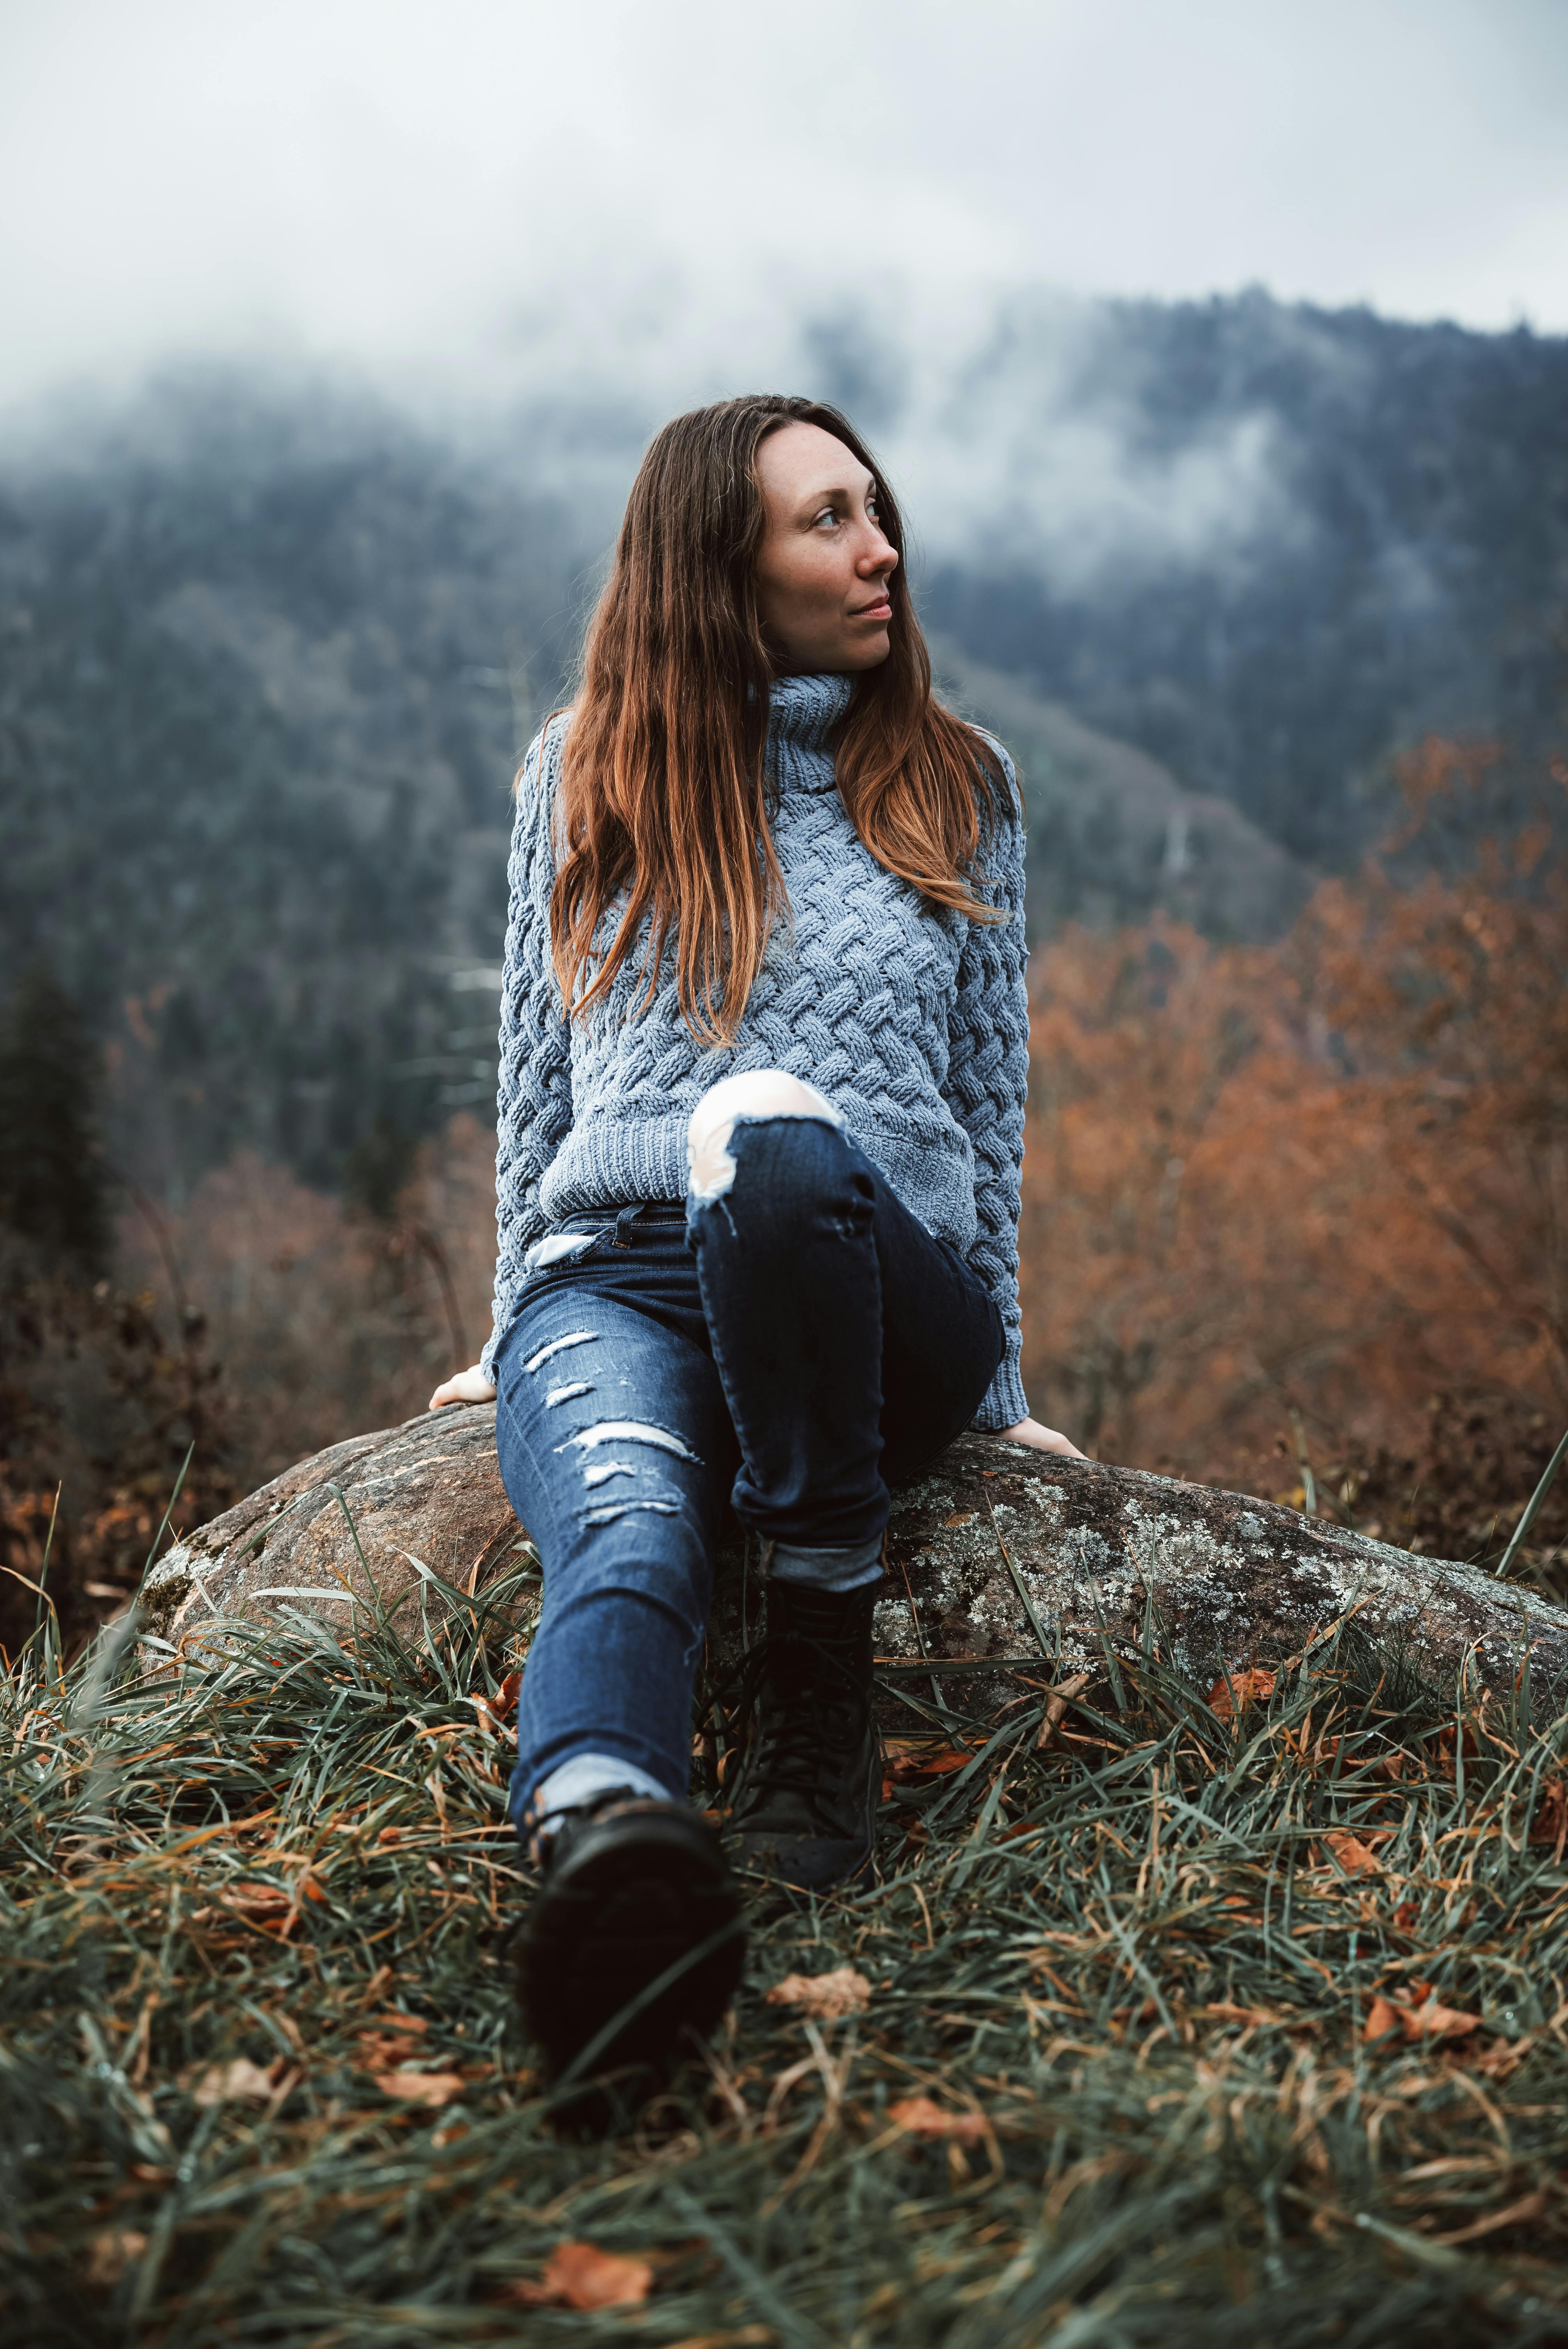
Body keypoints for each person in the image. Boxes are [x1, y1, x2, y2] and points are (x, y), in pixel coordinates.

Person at [430, 394, 1080, 2093]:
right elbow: (536, 1073)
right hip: (623, 1280)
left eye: (875, 511)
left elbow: (984, 1103)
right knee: (629, 1530)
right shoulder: (582, 767)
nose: (880, 552)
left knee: (776, 1137)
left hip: (874, 1299)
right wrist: (512, 1321)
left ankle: (817, 1669)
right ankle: (609, 1849)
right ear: (721, 563)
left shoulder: (958, 781)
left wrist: (999, 1376)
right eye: (826, 521)